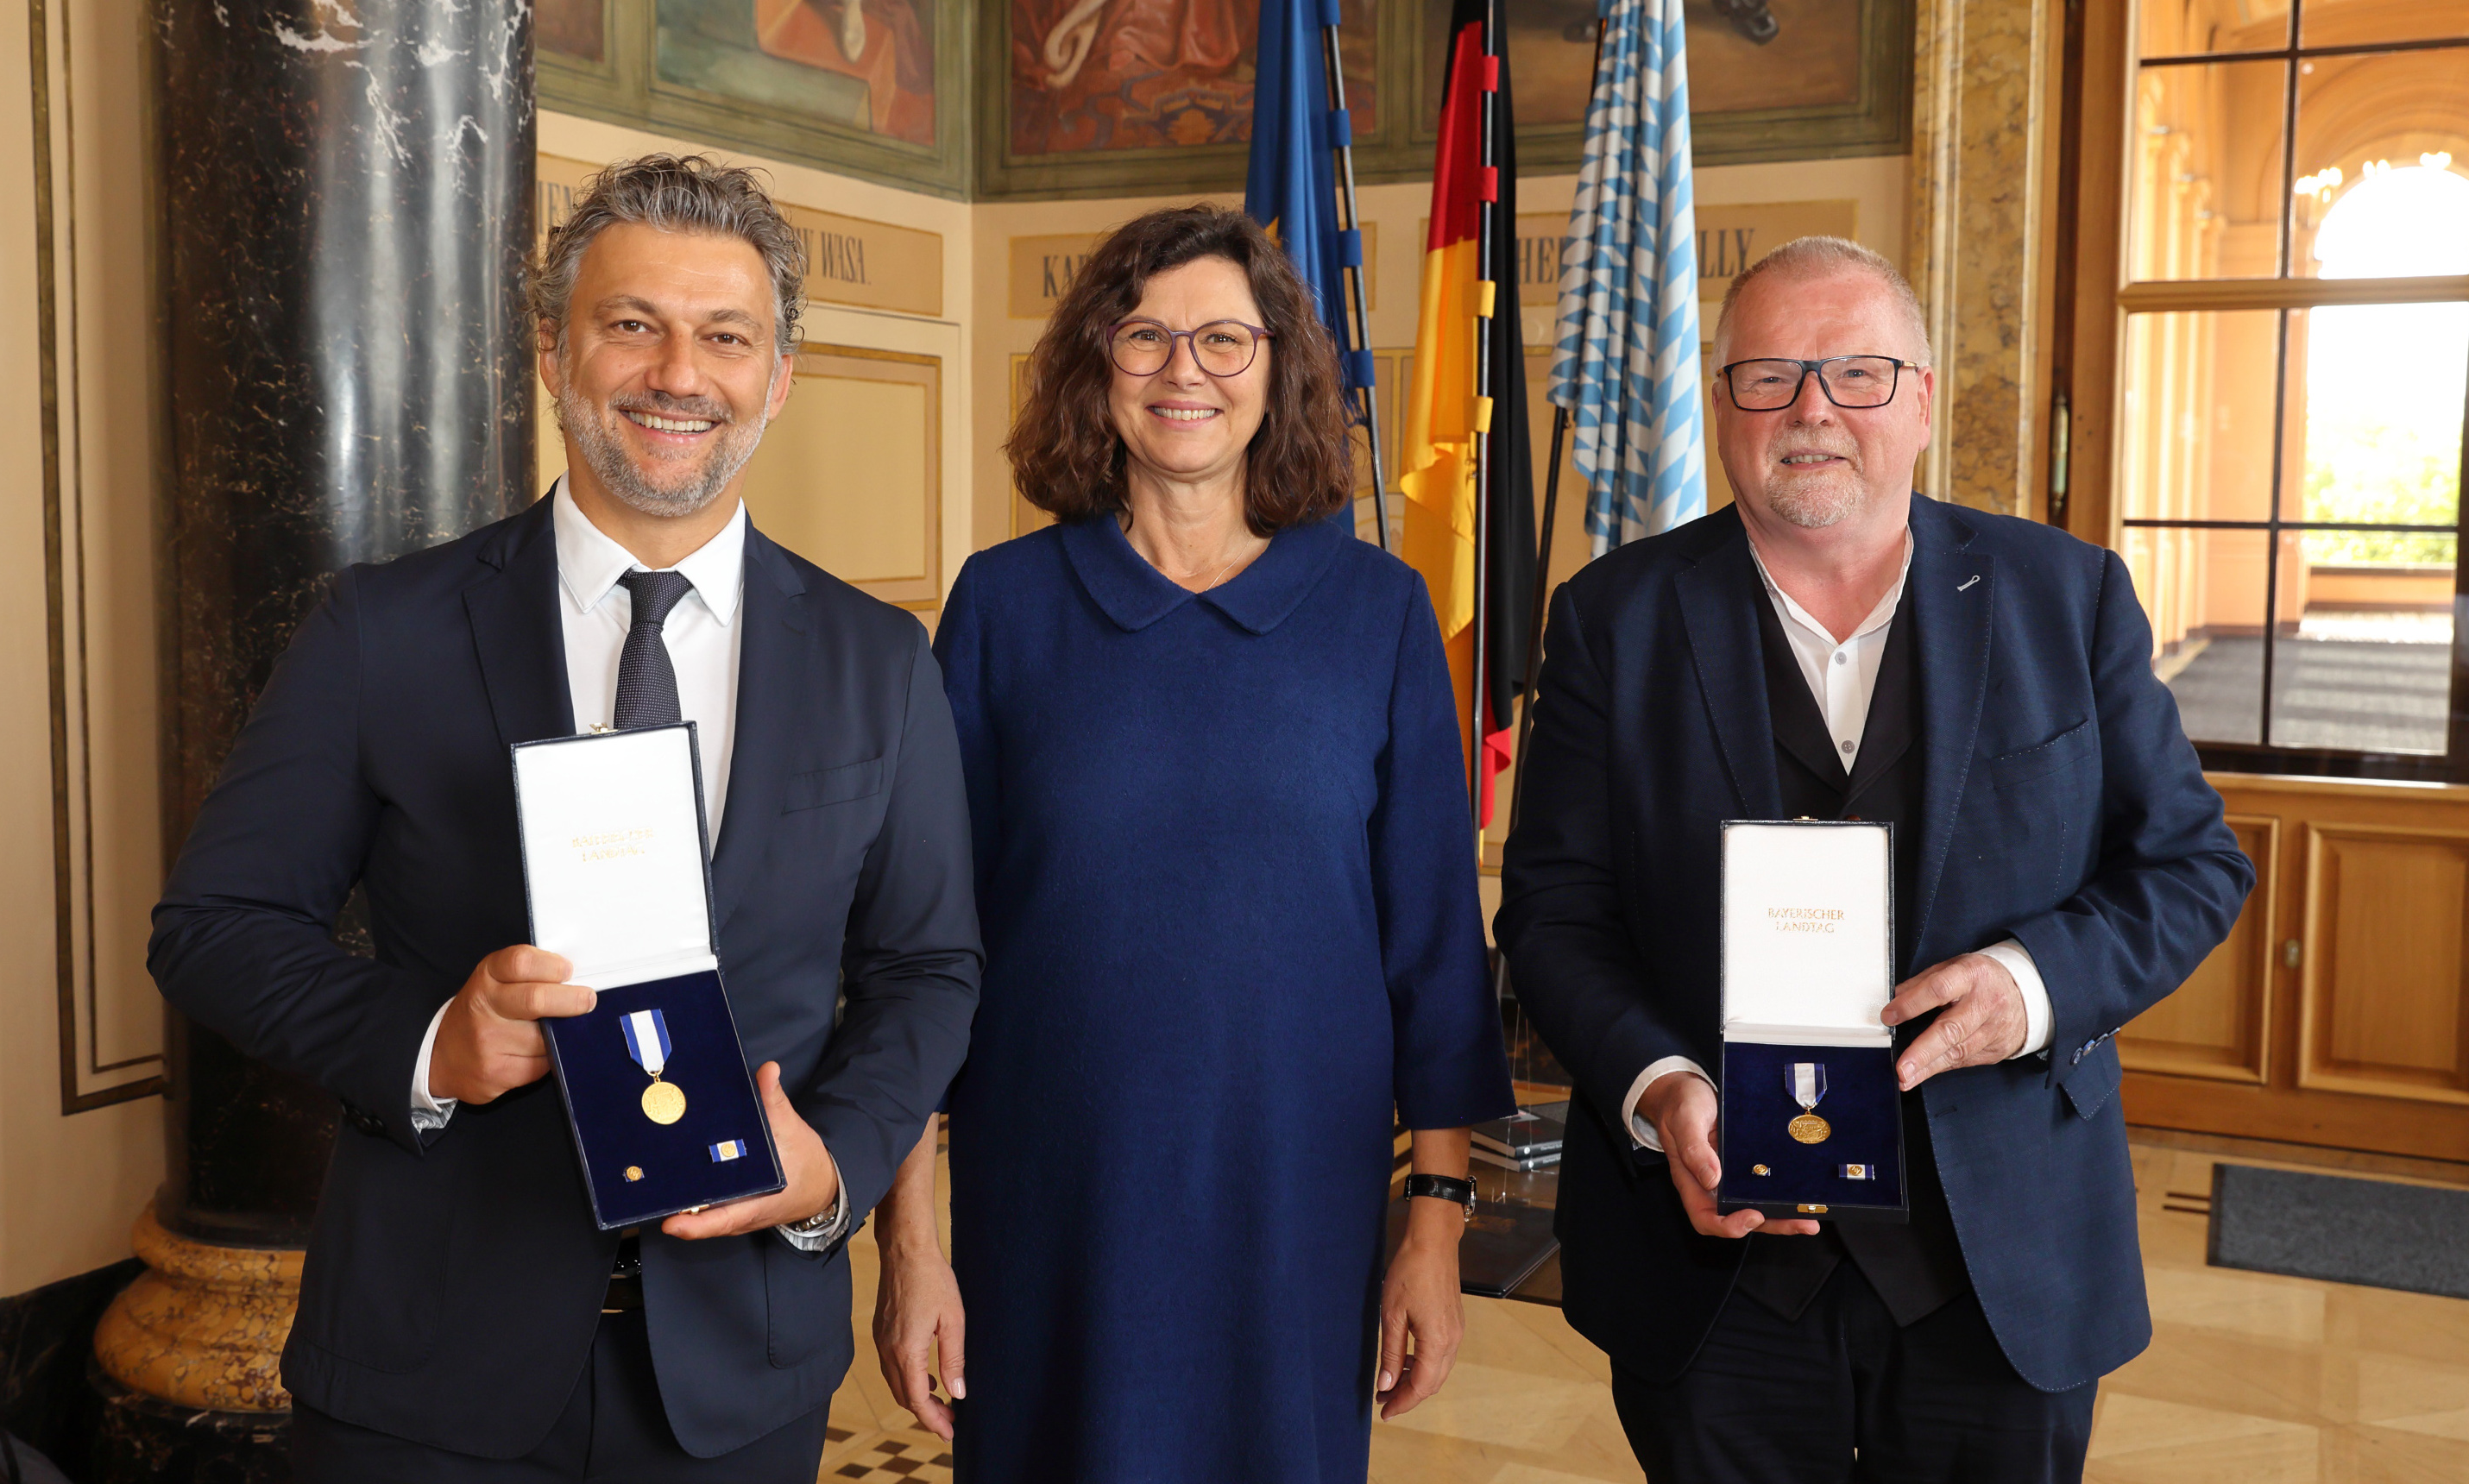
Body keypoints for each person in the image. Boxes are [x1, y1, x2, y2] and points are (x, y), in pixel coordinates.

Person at [148, 155, 981, 1481]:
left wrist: (834, 1167)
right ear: (552, 348)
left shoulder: (878, 660)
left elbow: (927, 969)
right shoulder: (386, 630)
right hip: (423, 1369)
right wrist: (430, 1039)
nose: (676, 374)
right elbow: (211, 927)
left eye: (724, 336)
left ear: (777, 375)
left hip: (735, 1376)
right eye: (629, 324)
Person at [1496, 236, 2253, 1481]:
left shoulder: (2068, 597)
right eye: (1771, 375)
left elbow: (2188, 865)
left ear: (1916, 398)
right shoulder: (1609, 617)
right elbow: (1555, 910)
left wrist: (2029, 985)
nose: (1811, 412)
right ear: (1723, 398)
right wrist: (1660, 1087)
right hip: (1715, 1265)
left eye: (1854, 372)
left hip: (1999, 1257)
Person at [868, 204, 1516, 1484]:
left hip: (1295, 1203)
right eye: (1146, 336)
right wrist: (912, 1246)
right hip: (1052, 1195)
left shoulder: (1377, 615)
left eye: (1224, 340)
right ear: (1091, 366)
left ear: (1278, 369)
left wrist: (1433, 1231)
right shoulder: (1002, 608)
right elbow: (921, 943)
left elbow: (1435, 950)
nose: (1184, 373)